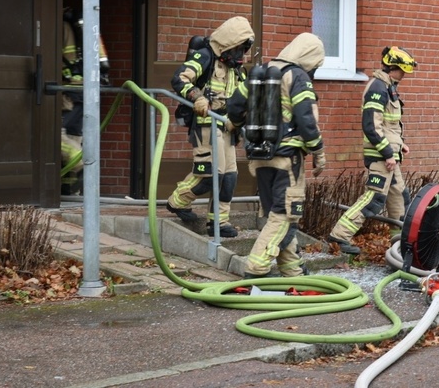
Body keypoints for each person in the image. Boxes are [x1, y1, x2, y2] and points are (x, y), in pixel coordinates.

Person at [230, 32, 326, 278]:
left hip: (259, 157)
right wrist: (318, 151)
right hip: (287, 157)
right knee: (285, 212)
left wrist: (238, 125)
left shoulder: (261, 70)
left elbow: (234, 106)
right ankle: (256, 265)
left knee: (277, 211)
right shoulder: (298, 76)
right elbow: (305, 118)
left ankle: (291, 267)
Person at [165, 15, 254, 238]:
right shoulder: (205, 56)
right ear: (228, 44)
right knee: (210, 175)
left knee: (230, 177)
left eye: (244, 50)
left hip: (228, 127)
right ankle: (177, 201)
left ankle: (219, 222)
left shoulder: (236, 69)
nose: (241, 55)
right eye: (238, 49)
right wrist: (196, 96)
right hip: (206, 125)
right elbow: (179, 79)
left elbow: (243, 97)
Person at [327, 46, 418, 255]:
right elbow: (371, 126)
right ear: (392, 67)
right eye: (402, 70)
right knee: (374, 198)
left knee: (400, 198)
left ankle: (400, 244)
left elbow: (387, 125)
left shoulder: (389, 87)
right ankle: (339, 236)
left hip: (390, 155)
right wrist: (387, 153)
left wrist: (399, 143)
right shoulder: (378, 88)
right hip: (381, 156)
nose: (404, 75)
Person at [60, 7, 109, 195]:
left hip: (69, 90)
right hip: (82, 89)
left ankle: (80, 164)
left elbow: (62, 59)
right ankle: (68, 189)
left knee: (55, 137)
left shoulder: (61, 27)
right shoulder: (77, 28)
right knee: (73, 136)